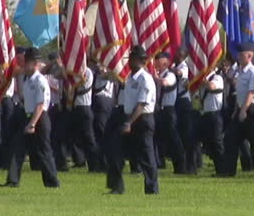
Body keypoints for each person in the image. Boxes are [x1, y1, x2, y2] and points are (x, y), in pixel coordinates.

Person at [0, 48, 59, 188]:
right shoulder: (27, 80)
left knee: (44, 151)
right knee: (18, 148)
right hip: (28, 116)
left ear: (36, 63)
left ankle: (52, 182)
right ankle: (12, 180)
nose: (24, 65)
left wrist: (32, 124)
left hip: (39, 118)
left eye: (27, 62)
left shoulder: (40, 80)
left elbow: (40, 104)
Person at [106, 45, 158, 194]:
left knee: (147, 157)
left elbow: (142, 104)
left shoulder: (145, 79)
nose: (128, 62)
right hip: (129, 117)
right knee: (115, 151)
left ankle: (152, 189)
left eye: (131, 59)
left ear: (138, 60)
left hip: (142, 119)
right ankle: (117, 187)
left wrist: (129, 122)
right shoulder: (130, 78)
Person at [220, 43, 254, 177]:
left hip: (251, 110)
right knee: (230, 139)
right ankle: (228, 171)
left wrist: (244, 110)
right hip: (240, 109)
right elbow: (239, 93)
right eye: (238, 54)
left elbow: (251, 92)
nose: (239, 56)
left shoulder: (253, 72)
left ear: (250, 56)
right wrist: (237, 111)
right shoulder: (239, 71)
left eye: (242, 54)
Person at [154, 51, 186, 174]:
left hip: (168, 110)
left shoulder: (170, 75)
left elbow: (164, 83)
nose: (155, 61)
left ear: (165, 62)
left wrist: (154, 77)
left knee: (173, 140)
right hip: (159, 110)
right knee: (158, 139)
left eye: (158, 59)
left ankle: (180, 166)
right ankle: (159, 163)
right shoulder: (158, 75)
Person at [69, 63, 100, 171]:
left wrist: (72, 86)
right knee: (76, 136)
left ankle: (94, 164)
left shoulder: (87, 72)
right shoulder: (74, 71)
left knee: (88, 138)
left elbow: (81, 86)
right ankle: (79, 161)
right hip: (76, 107)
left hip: (85, 107)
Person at [198, 66, 225, 174]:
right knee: (209, 143)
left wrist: (202, 80)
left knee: (217, 142)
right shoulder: (203, 79)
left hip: (215, 114)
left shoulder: (217, 78)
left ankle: (223, 169)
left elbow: (212, 86)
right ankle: (217, 167)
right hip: (205, 114)